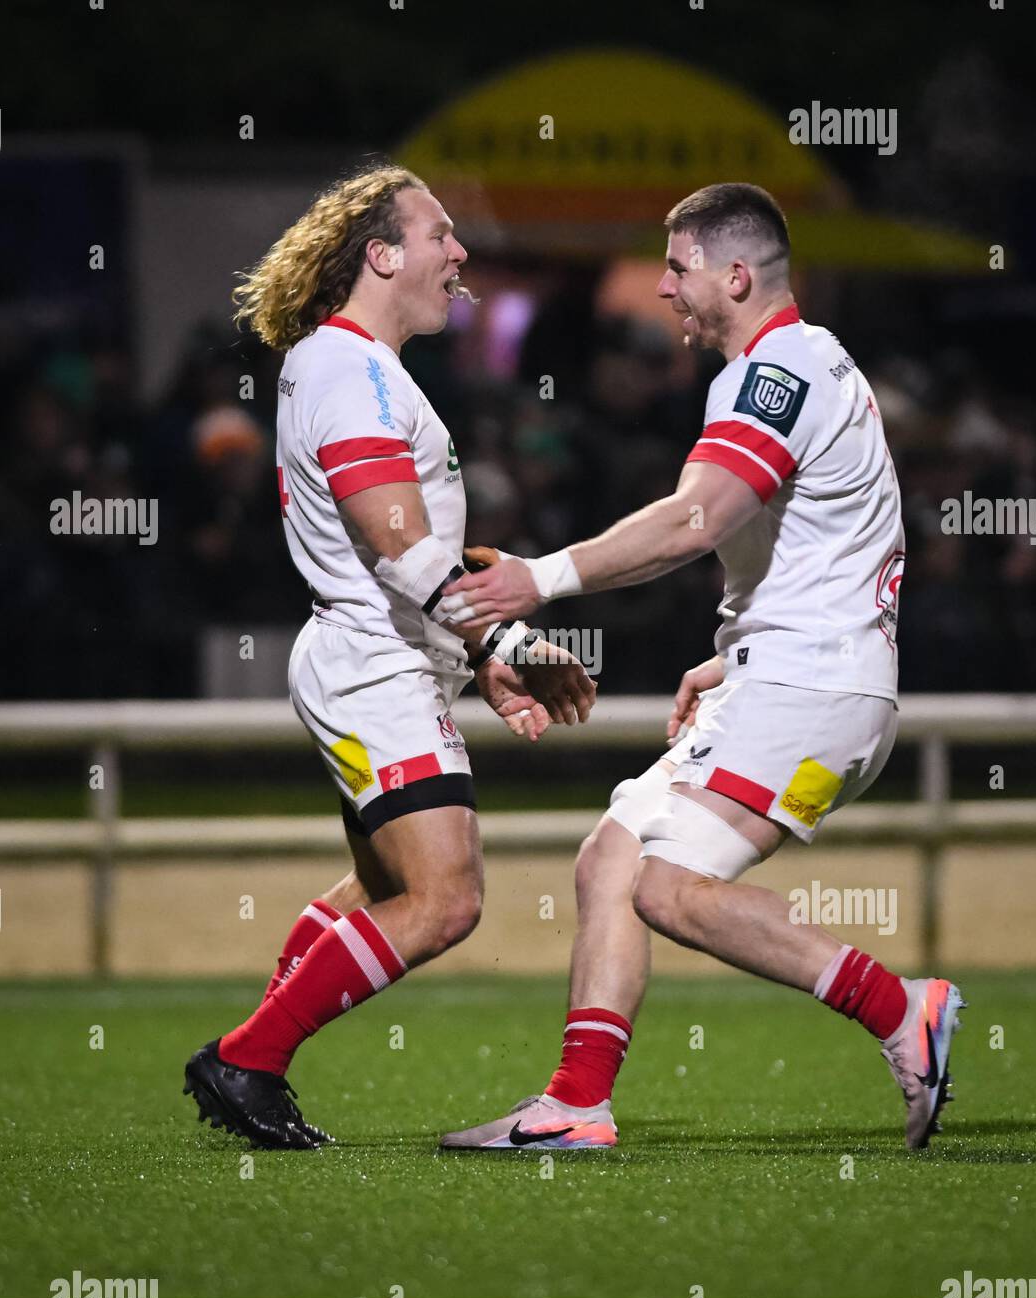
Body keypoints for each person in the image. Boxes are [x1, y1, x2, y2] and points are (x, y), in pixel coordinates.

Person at [439, 182, 964, 1153]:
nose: (665, 288)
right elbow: (832, 543)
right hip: (794, 671)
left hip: (813, 686)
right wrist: (732, 658)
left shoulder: (781, 369)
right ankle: (576, 1104)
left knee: (669, 888)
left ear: (736, 273)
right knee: (613, 859)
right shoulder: (802, 365)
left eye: (677, 268)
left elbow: (695, 520)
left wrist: (536, 577)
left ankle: (904, 1009)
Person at [183, 163, 595, 1149]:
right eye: (442, 234)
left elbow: (400, 555)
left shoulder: (354, 365)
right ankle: (248, 1058)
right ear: (383, 253)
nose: (461, 255)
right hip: (373, 666)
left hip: (381, 658)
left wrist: (475, 659)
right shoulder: (352, 367)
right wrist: (509, 635)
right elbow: (400, 546)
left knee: (383, 890)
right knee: (446, 899)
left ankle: (257, 1066)